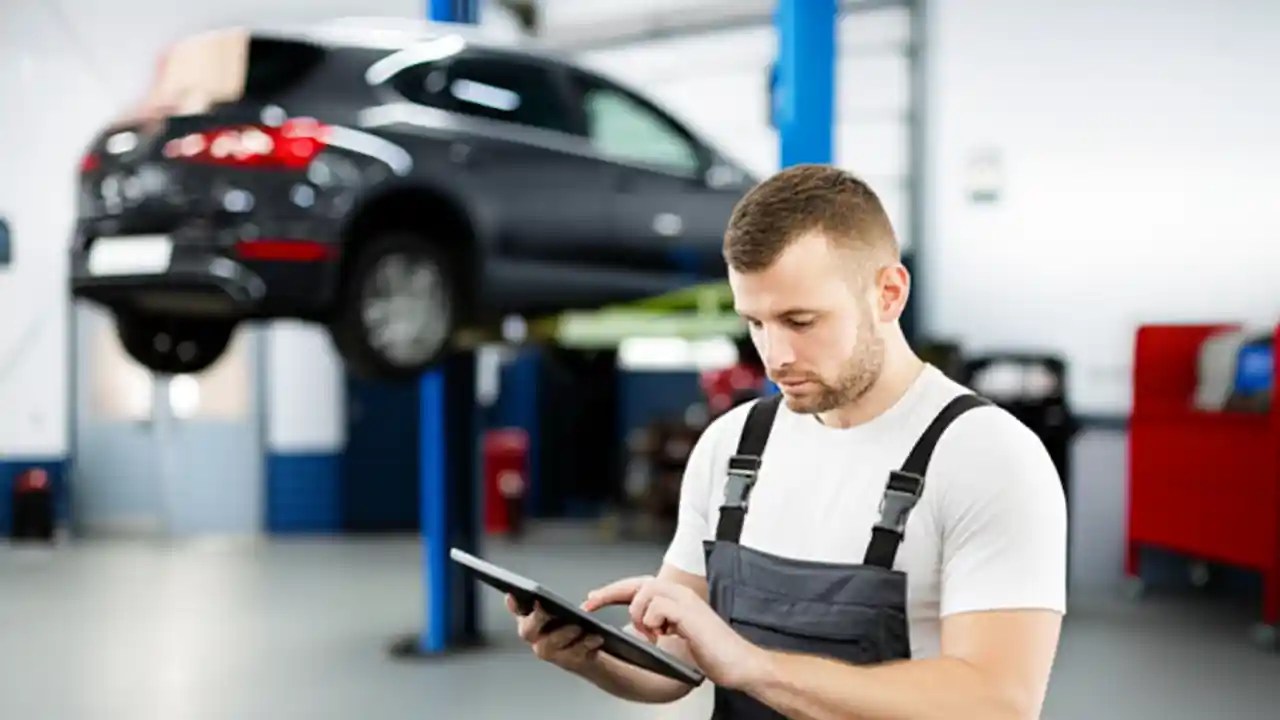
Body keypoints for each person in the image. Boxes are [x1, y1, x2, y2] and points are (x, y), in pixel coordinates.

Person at [507, 164, 1067, 719]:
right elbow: (678, 657)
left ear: (889, 294)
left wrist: (754, 666)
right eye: (755, 322)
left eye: (800, 321)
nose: (775, 358)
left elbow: (997, 702)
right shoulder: (733, 447)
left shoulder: (988, 458)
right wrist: (592, 656)